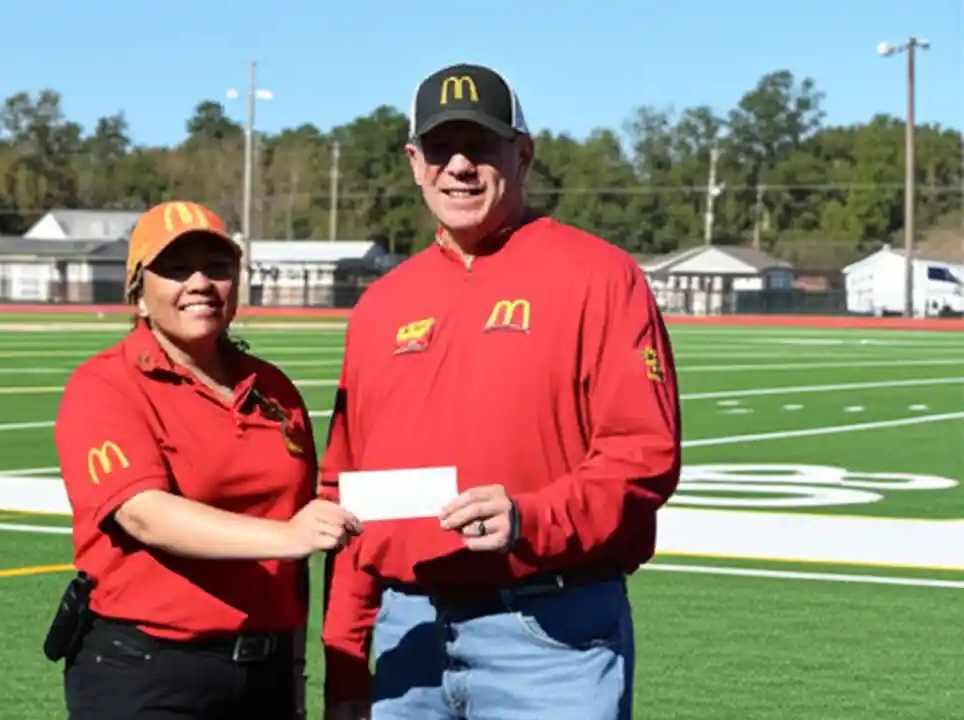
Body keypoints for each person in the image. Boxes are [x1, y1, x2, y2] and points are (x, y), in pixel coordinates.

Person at [318, 63, 683, 720]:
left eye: (480, 146)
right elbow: (345, 490)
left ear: (523, 154)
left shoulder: (599, 277)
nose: (458, 166)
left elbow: (643, 455)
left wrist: (530, 519)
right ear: (412, 161)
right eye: (440, 148)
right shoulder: (380, 305)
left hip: (548, 633)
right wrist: (345, 652)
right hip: (408, 637)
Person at [47, 199, 362, 719]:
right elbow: (143, 512)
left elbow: (310, 525)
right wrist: (286, 538)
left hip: (268, 672)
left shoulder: (274, 388)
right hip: (149, 670)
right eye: (175, 268)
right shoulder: (104, 386)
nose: (199, 283)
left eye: (217, 268)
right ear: (139, 294)